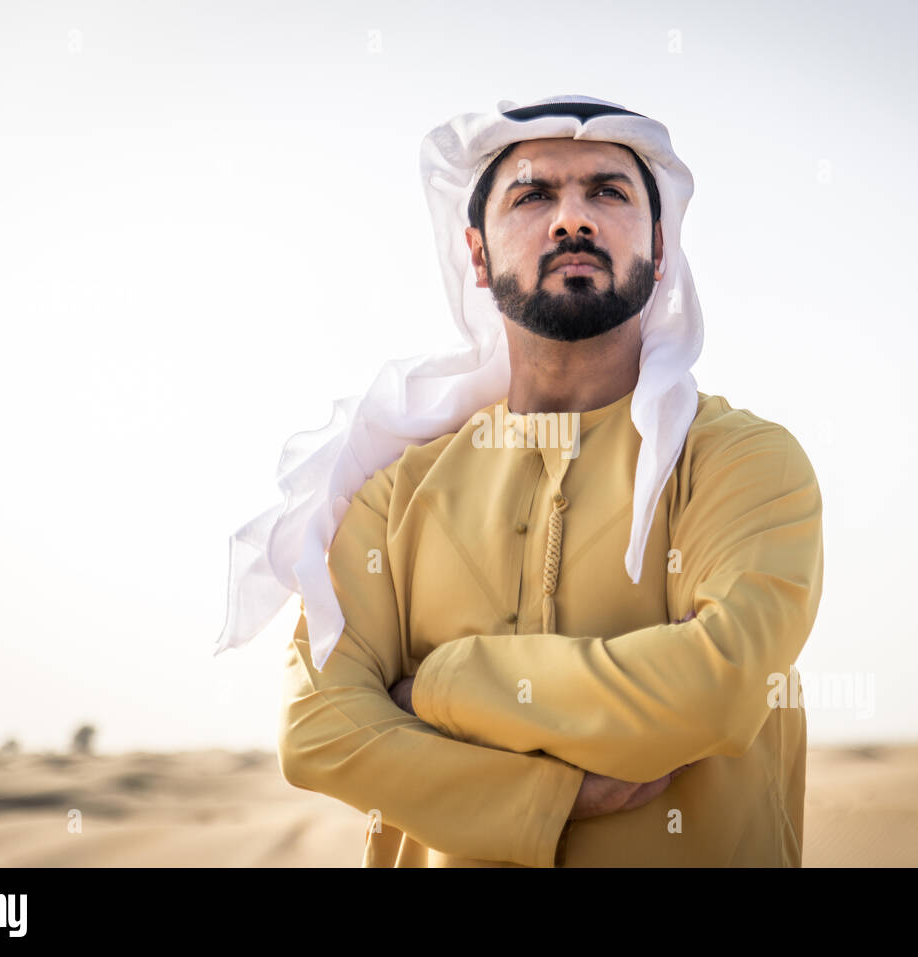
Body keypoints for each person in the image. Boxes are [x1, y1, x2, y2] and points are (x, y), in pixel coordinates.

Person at [225, 95, 824, 866]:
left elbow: (721, 682)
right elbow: (320, 730)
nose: (572, 219)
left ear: (660, 247)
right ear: (477, 254)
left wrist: (439, 685)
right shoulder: (390, 493)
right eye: (534, 194)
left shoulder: (741, 462)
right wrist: (553, 799)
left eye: (607, 192)